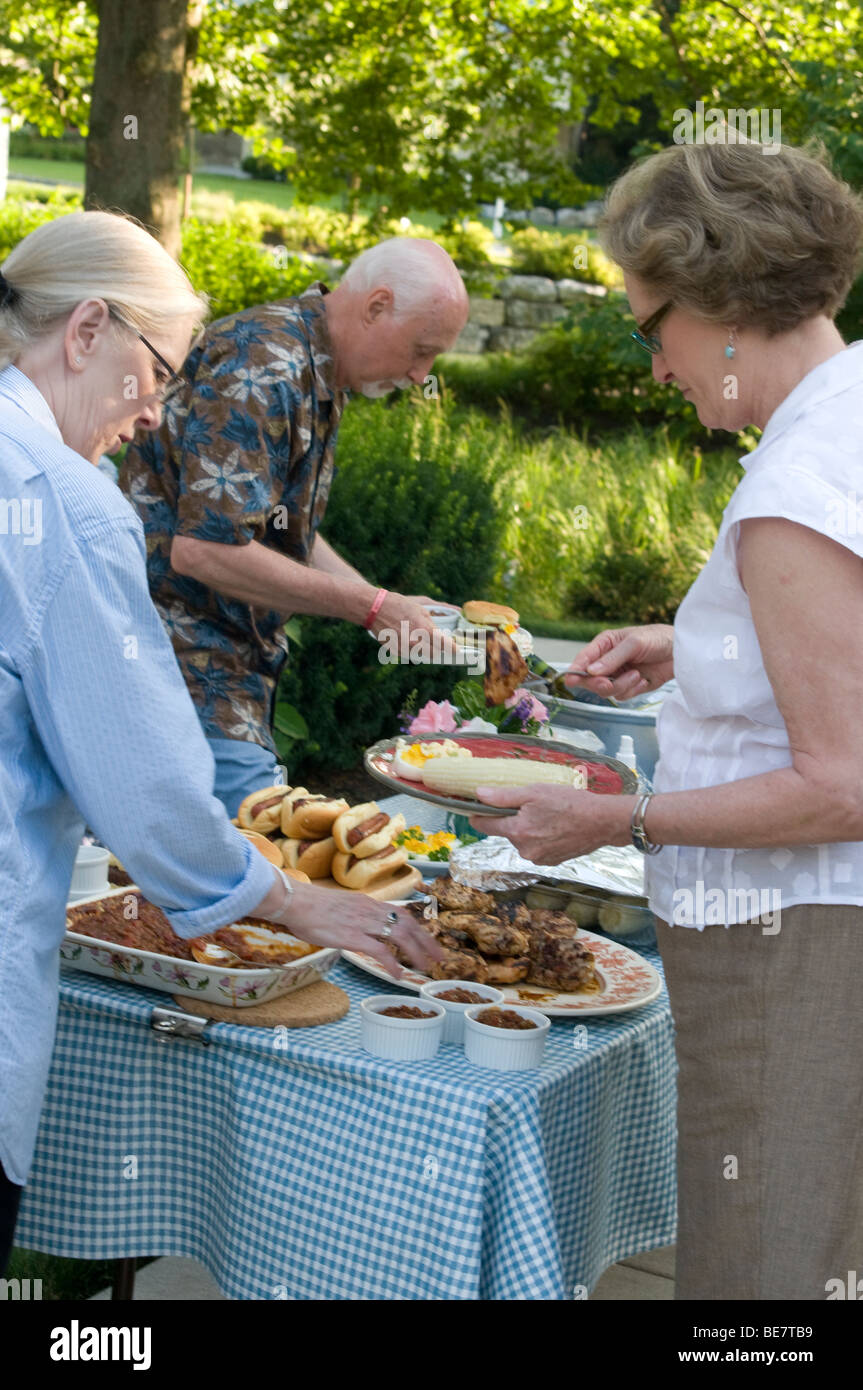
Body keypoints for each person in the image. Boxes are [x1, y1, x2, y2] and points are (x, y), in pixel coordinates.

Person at [0, 211, 442, 1277]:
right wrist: (292, 900)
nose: (156, 414)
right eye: (155, 373)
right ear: (86, 330)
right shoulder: (64, 500)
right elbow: (146, 790)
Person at [470, 138, 863, 1301]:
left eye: (652, 327)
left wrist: (619, 816)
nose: (653, 367)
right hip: (812, 934)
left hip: (789, 944)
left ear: (726, 298)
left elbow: (840, 781)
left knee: (761, 1277)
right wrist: (692, 642)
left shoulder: (794, 488)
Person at [120, 238, 469, 816]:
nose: (419, 374)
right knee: (251, 865)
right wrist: (372, 607)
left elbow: (275, 526)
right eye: (421, 350)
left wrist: (386, 605)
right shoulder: (265, 364)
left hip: (214, 670)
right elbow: (206, 550)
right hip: (180, 667)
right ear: (377, 306)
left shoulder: (310, 361)